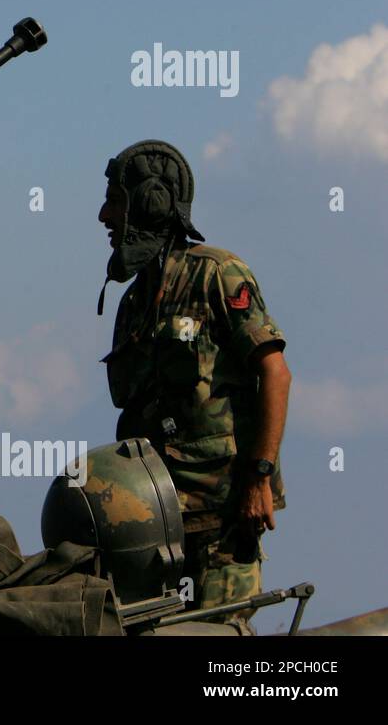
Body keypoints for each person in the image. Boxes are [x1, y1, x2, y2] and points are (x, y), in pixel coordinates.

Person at [97, 139, 291, 630]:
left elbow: (275, 373)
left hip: (223, 520)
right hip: (155, 531)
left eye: (114, 201)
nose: (104, 216)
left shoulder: (217, 275)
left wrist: (258, 478)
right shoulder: (134, 304)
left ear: (150, 203)